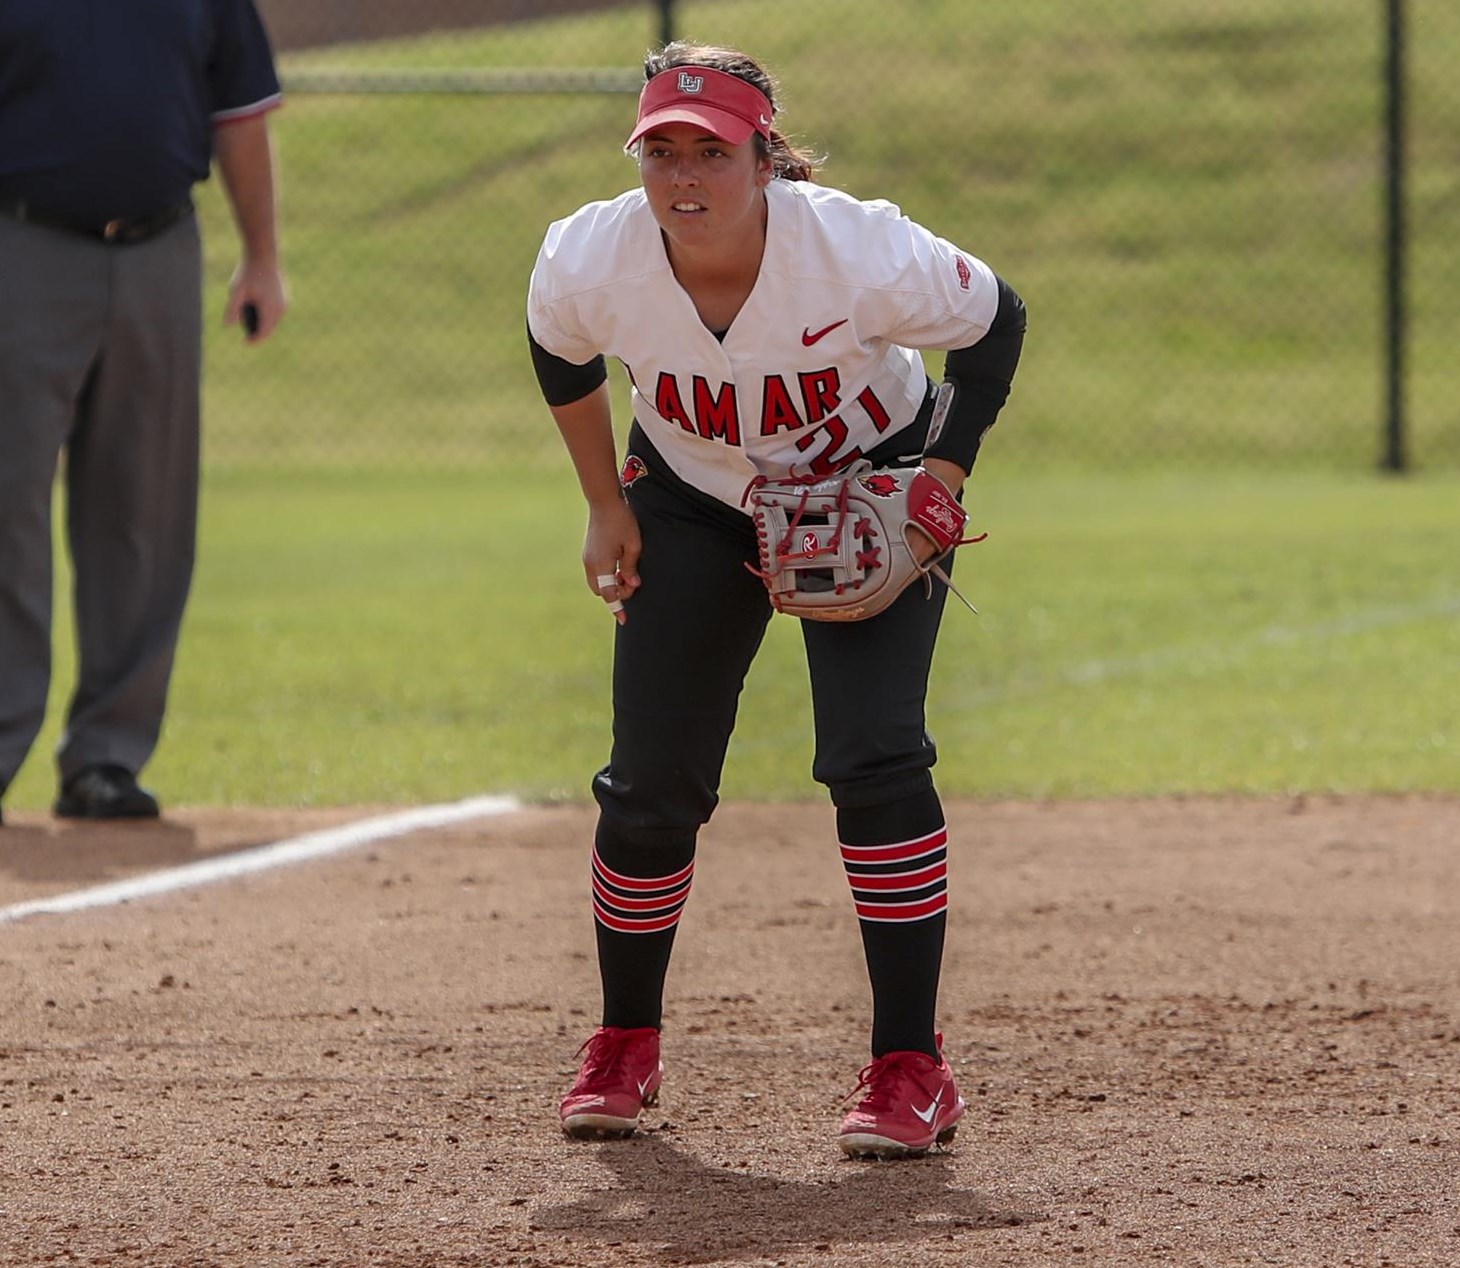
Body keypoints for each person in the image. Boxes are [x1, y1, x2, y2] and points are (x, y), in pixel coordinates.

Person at [527, 42, 1026, 1159]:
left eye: (712, 151)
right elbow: (559, 353)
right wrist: (605, 504)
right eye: (661, 150)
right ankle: (623, 1041)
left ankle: (912, 1066)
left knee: (874, 758)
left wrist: (940, 481)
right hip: (691, 500)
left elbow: (997, 320)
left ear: (765, 160)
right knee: (649, 782)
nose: (683, 175)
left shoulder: (853, 248)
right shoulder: (590, 256)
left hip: (867, 486)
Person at [0, 0, 287, 826]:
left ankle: (106, 756)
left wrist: (262, 258)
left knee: (143, 512)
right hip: (22, 246)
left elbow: (239, 110)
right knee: (7, 504)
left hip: (160, 251)